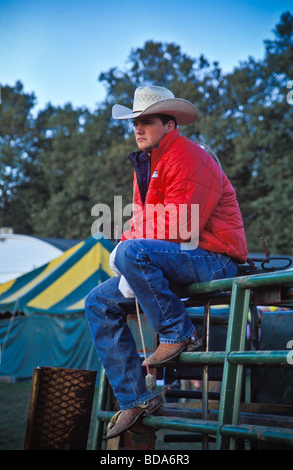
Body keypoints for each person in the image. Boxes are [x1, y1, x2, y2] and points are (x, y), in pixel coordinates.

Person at [85, 85, 248, 439]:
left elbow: (182, 225)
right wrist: (130, 246)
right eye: (134, 123)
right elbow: (144, 222)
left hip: (214, 257)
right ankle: (137, 398)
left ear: (170, 125)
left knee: (131, 252)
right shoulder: (146, 164)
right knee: (98, 301)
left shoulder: (190, 156)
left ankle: (178, 332)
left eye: (146, 121)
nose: (137, 129)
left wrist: (127, 249)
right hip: (178, 257)